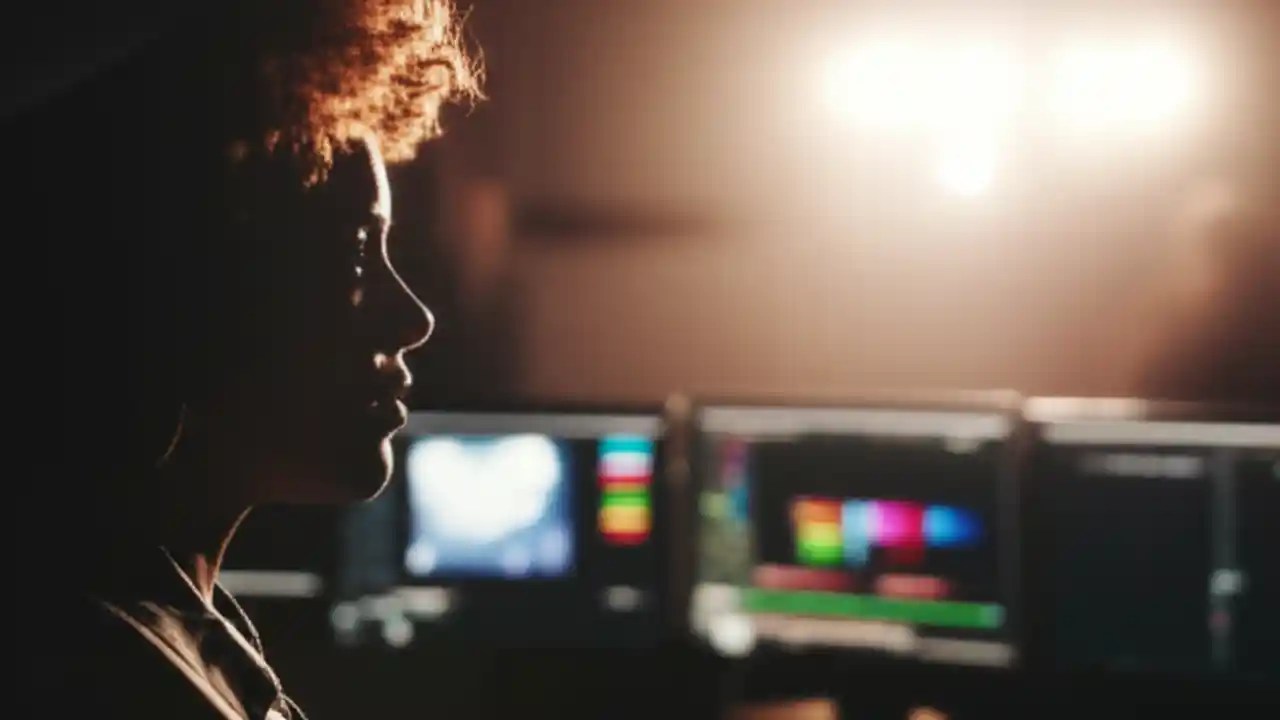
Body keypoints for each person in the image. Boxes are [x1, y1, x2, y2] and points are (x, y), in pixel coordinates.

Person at [18, 1, 481, 716]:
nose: (412, 318)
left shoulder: (174, 635)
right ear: (194, 278)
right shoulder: (107, 680)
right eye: (357, 251)